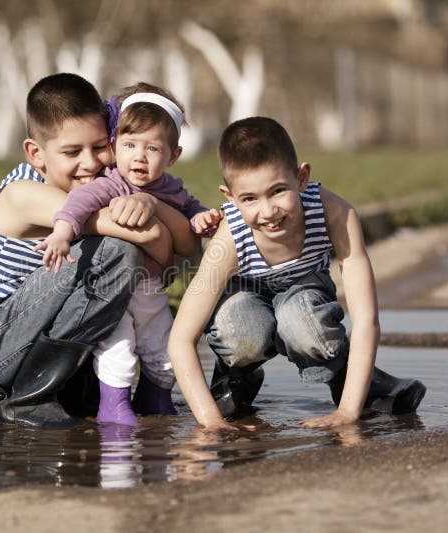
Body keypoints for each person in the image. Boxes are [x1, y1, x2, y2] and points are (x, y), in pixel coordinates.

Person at [0, 73, 188, 428]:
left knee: (114, 256)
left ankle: (68, 390)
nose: (91, 163)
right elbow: (152, 238)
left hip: (15, 343)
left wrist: (147, 201)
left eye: (100, 147)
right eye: (72, 152)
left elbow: (178, 251)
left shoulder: (93, 185)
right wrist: (151, 212)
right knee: (113, 252)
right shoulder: (23, 196)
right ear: (36, 153)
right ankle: (26, 403)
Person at [167, 116, 426, 430]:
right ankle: (234, 381)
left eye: (277, 191)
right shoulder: (230, 238)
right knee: (239, 334)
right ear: (230, 197)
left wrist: (347, 412)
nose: (268, 211)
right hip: (245, 300)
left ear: (301, 178)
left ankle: (357, 382)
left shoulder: (334, 213)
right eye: (249, 198)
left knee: (301, 323)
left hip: (305, 292)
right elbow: (181, 338)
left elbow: (366, 319)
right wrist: (211, 422)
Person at [36, 82, 223, 426]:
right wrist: (62, 233)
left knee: (164, 348)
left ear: (173, 155)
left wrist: (200, 217)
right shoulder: (111, 183)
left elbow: (188, 210)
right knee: (118, 349)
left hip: (149, 289)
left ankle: (155, 399)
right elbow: (78, 203)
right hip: (110, 290)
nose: (139, 156)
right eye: (130, 145)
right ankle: (114, 407)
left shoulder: (171, 188)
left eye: (152, 148)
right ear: (114, 145)